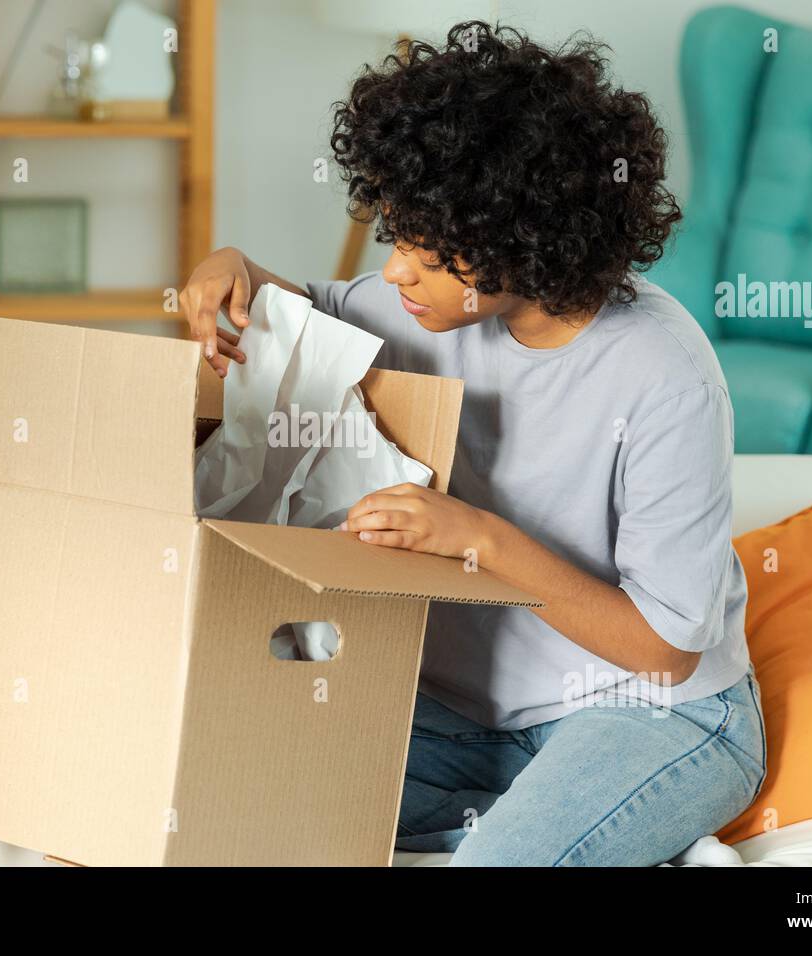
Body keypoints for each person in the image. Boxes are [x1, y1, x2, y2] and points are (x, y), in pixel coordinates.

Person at [179, 22, 765, 866]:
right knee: (199, 790)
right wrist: (229, 266)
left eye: (426, 245)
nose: (394, 272)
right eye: (396, 231)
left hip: (650, 711)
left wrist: (476, 539)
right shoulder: (416, 307)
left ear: (521, 233)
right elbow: (295, 309)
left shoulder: (665, 375)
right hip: (455, 714)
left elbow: (666, 651)